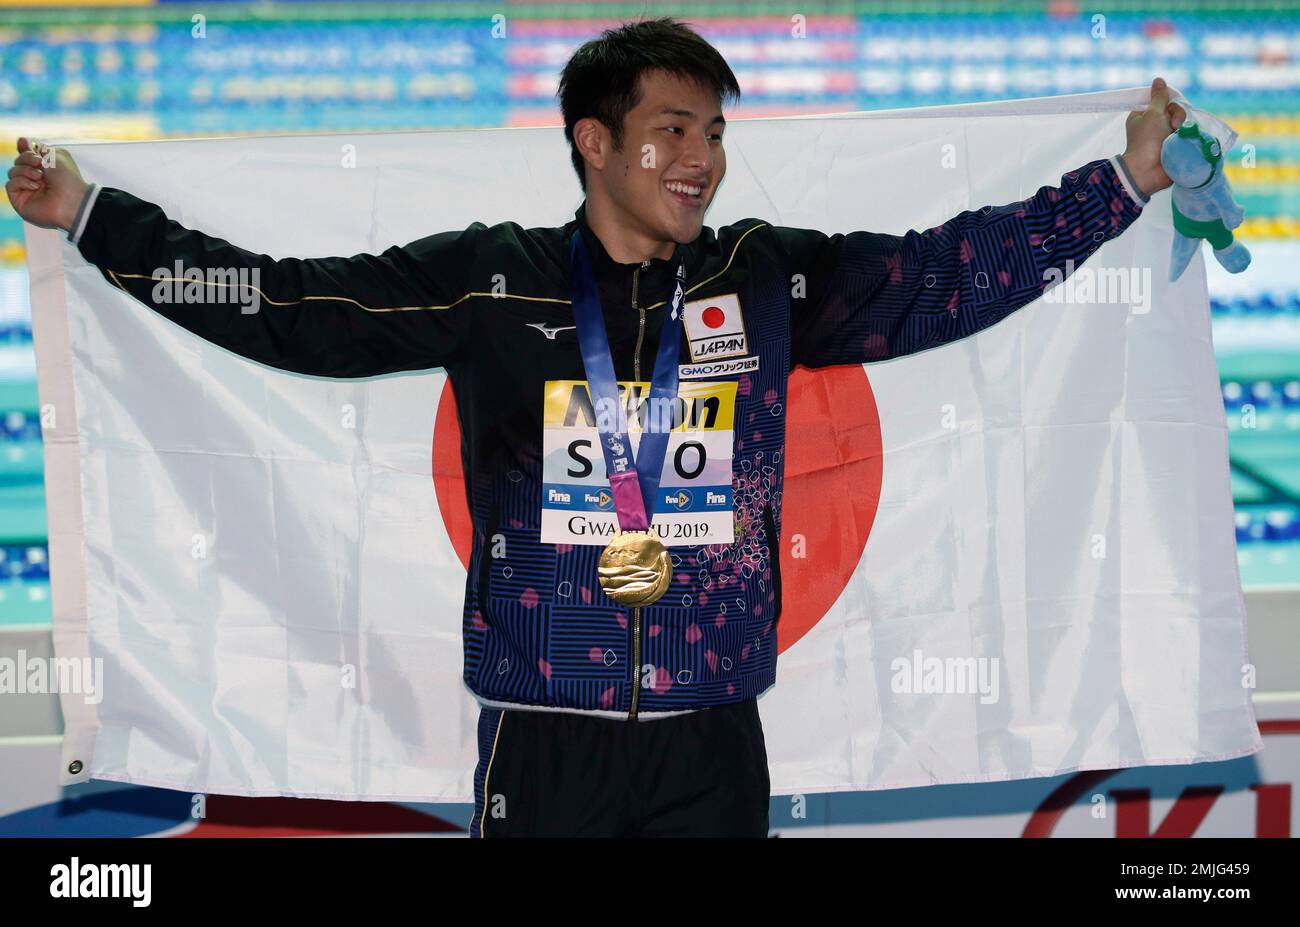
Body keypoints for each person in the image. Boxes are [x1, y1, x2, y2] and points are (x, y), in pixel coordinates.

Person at [6, 17, 1185, 838]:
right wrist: (99, 218)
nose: (702, 159)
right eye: (672, 130)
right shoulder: (493, 282)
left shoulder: (756, 279)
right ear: (594, 142)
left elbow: (947, 275)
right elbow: (287, 309)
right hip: (543, 737)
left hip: (713, 733)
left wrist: (1119, 185)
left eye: (715, 133)